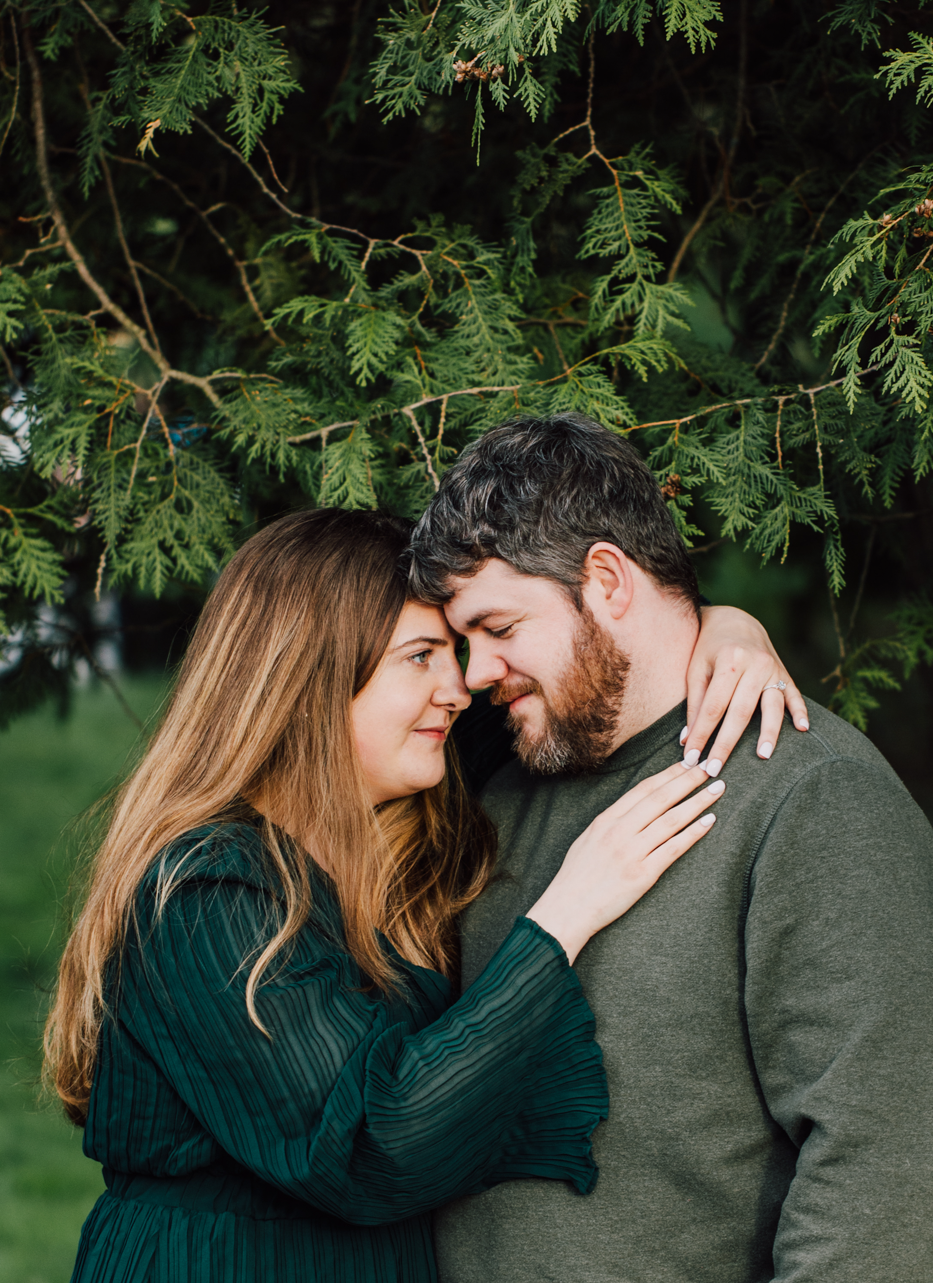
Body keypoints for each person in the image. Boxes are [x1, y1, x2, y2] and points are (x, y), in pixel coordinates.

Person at [45, 507, 795, 1283]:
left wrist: (725, 629)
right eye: (422, 657)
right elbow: (370, 1147)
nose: (461, 687)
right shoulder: (202, 895)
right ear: (311, 678)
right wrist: (569, 909)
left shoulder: (403, 804)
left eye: (460, 652)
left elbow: (598, 666)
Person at [408, 413, 933, 1283]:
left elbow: (890, 1161)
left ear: (606, 578)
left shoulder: (806, 796)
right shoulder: (493, 786)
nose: (472, 674)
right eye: (463, 642)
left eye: (499, 629)